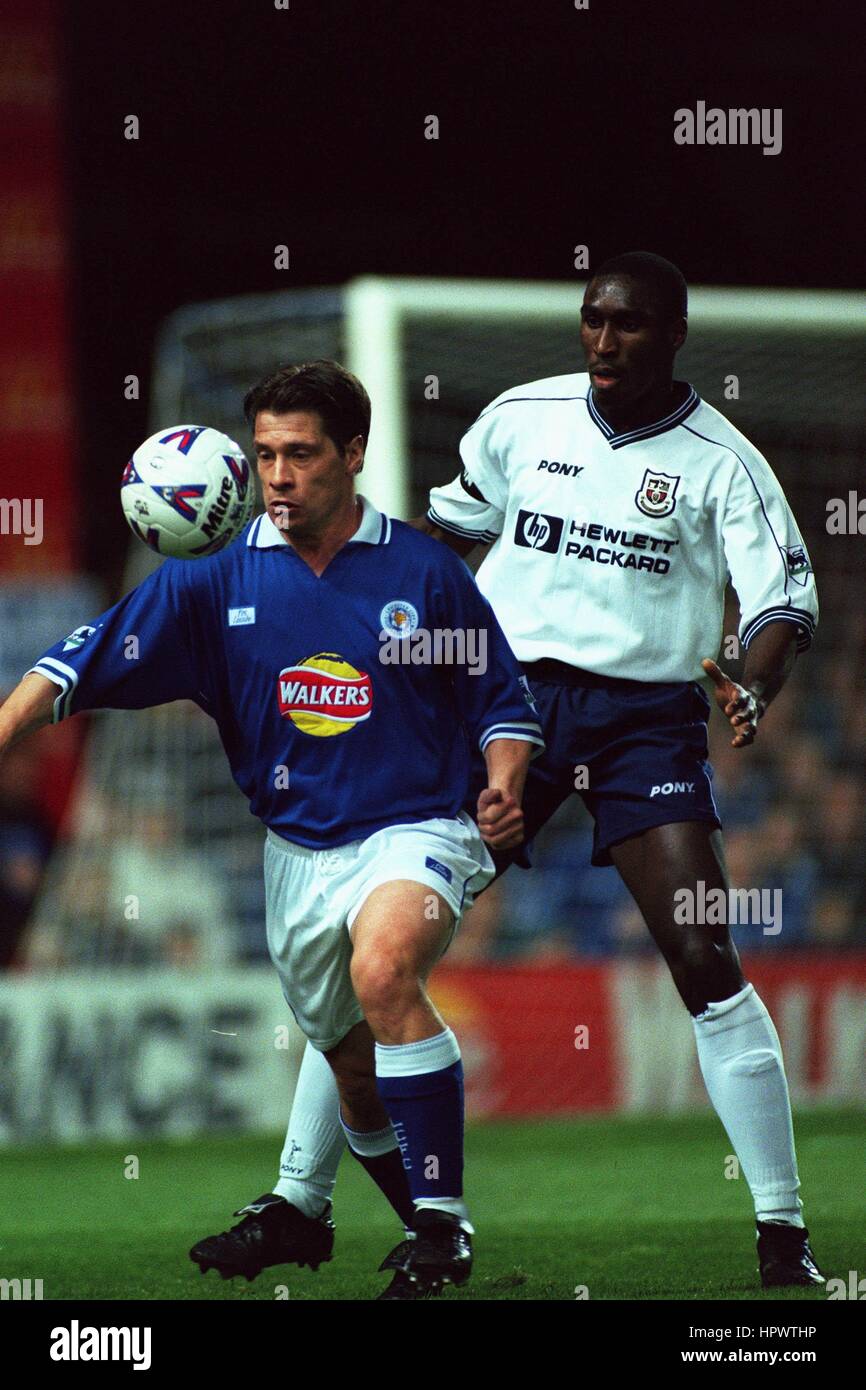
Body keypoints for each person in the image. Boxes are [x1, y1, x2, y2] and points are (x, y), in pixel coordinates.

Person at [252, 253, 824, 1291]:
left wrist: (750, 681)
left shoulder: (720, 463)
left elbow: (782, 601)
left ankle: (781, 1236)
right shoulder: (521, 416)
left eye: (629, 325)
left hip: (644, 720)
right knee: (379, 945)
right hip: (501, 703)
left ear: (673, 334)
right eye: (591, 320)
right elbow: (446, 540)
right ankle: (297, 1196)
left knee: (700, 955)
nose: (603, 342)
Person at [0, 360, 544, 1300]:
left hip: (418, 828)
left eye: (301, 454)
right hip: (296, 853)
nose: (280, 475)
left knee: (385, 970)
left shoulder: (422, 570)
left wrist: (502, 782)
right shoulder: (212, 582)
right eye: (264, 456)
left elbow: (502, 700)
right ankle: (393, 1223)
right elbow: (72, 666)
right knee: (351, 1071)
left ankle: (444, 1228)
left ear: (355, 455)